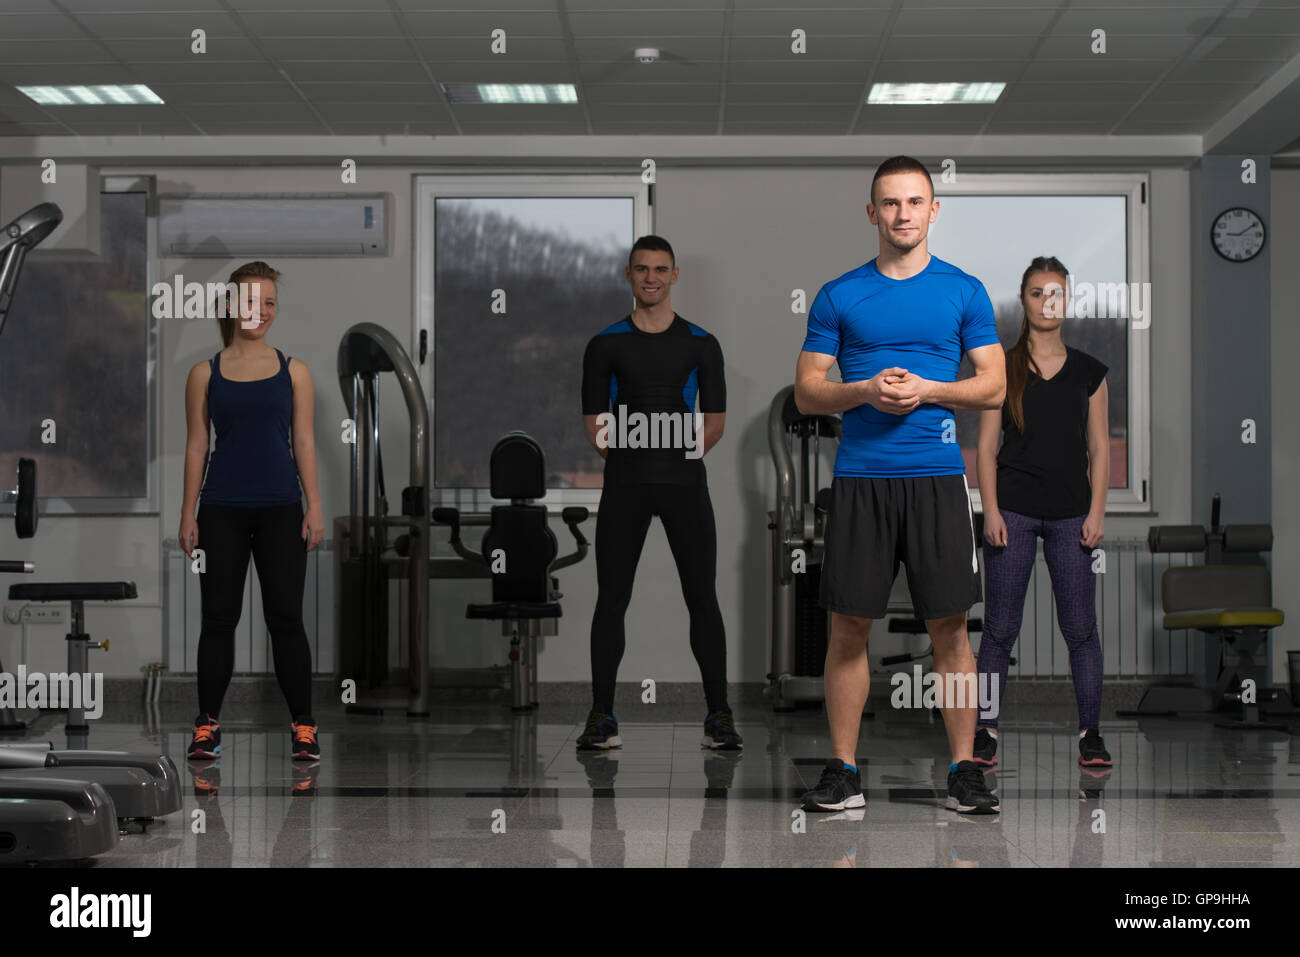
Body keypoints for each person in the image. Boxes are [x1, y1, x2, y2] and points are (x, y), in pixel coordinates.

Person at [796, 156, 1006, 814]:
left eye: (915, 201)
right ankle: (843, 770)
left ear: (933, 211)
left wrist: (929, 389)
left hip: (938, 481)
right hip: (861, 481)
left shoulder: (964, 290)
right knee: (848, 628)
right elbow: (807, 392)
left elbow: (995, 385)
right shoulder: (839, 294)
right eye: (890, 203)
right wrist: (863, 389)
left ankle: (964, 771)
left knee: (951, 631)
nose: (903, 213)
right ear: (872, 212)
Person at [578, 235, 740, 751]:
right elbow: (595, 423)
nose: (651, 278)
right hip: (625, 486)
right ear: (628, 274)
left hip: (684, 485)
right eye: (642, 269)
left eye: (660, 269)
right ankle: (601, 717)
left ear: (674, 275)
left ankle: (719, 717)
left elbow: (714, 423)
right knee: (611, 600)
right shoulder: (605, 344)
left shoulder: (701, 344)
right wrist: (633, 458)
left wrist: (675, 458)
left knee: (702, 599)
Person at [178, 261, 325, 762]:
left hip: (282, 509)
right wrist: (188, 512)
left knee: (286, 619)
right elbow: (197, 446)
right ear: (229, 306)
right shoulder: (204, 374)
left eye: (268, 302)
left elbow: (303, 442)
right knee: (218, 618)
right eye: (249, 301)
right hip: (221, 510)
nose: (260, 311)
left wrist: (314, 507)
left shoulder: (294, 371)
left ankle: (304, 727)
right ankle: (206, 726)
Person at [974, 256, 1112, 769]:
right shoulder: (1002, 367)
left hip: (1073, 515)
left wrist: (1097, 513)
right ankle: (984, 730)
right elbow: (986, 448)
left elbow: (1099, 449)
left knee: (1080, 629)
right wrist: (990, 511)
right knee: (999, 630)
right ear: (1024, 300)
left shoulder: (1090, 373)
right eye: (1037, 293)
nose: (1047, 302)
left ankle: (1091, 733)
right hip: (1011, 512)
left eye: (1056, 293)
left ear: (1067, 300)